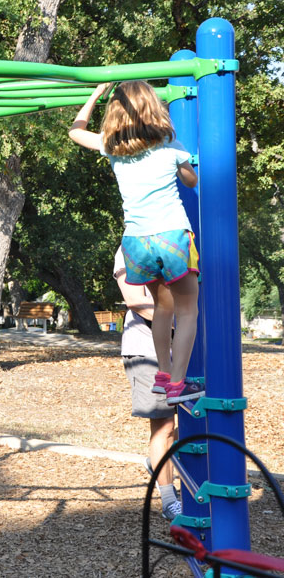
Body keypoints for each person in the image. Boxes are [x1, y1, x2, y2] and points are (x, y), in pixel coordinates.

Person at [69, 81, 202, 405]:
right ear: (153, 109)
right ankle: (177, 383)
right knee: (187, 311)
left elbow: (76, 131)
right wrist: (183, 167)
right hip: (171, 236)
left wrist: (96, 94)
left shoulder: (111, 146)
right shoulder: (169, 144)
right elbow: (191, 180)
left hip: (136, 241)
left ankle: (162, 376)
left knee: (162, 308)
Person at [114, 247, 181, 520]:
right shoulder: (128, 248)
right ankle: (169, 500)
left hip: (182, 350)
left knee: (196, 421)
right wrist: (184, 320)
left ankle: (157, 461)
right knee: (164, 425)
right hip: (147, 350)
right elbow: (134, 300)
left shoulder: (174, 243)